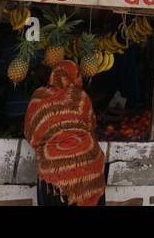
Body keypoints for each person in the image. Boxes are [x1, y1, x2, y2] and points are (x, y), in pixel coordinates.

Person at [24, 60, 106, 206]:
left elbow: (31, 133)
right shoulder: (82, 97)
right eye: (79, 74)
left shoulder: (39, 97)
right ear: (72, 76)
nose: (81, 78)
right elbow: (91, 126)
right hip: (89, 163)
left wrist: (53, 142)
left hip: (53, 169)